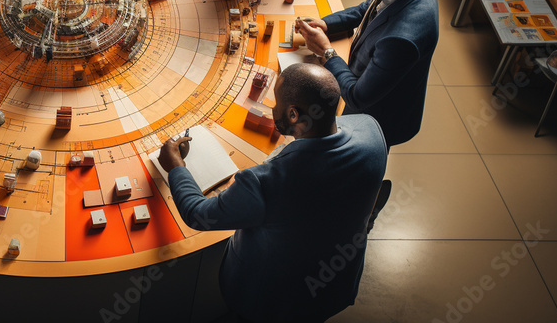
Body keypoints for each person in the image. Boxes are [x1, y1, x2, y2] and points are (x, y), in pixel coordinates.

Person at [158, 64, 387, 322]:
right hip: (335, 286)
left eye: (276, 102)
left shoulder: (264, 183)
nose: (271, 108)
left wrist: (175, 166)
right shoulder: (372, 132)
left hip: (271, 302)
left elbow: (198, 215)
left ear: (293, 114)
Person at [295, 0, 439, 149]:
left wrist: (327, 51)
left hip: (378, 118)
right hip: (375, 86)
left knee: (354, 168)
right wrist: (326, 23)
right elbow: (371, 5)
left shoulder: (400, 40)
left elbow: (357, 96)